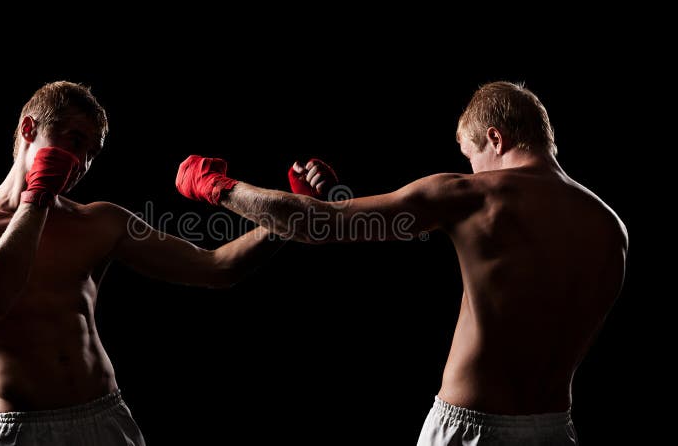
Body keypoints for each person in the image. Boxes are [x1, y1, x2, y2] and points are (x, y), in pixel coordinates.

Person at [175, 81, 629, 445]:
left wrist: (218, 186)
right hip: (556, 429)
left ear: (495, 137)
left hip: (471, 430)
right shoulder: (610, 225)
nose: (472, 171)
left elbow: (319, 225)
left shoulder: (474, 195)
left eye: (472, 158)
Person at [0, 81, 335, 445]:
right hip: (20, 429)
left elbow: (217, 267)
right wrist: (37, 200)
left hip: (106, 418)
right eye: (72, 139)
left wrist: (295, 213)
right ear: (29, 130)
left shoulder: (99, 221)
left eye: (91, 152)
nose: (81, 162)